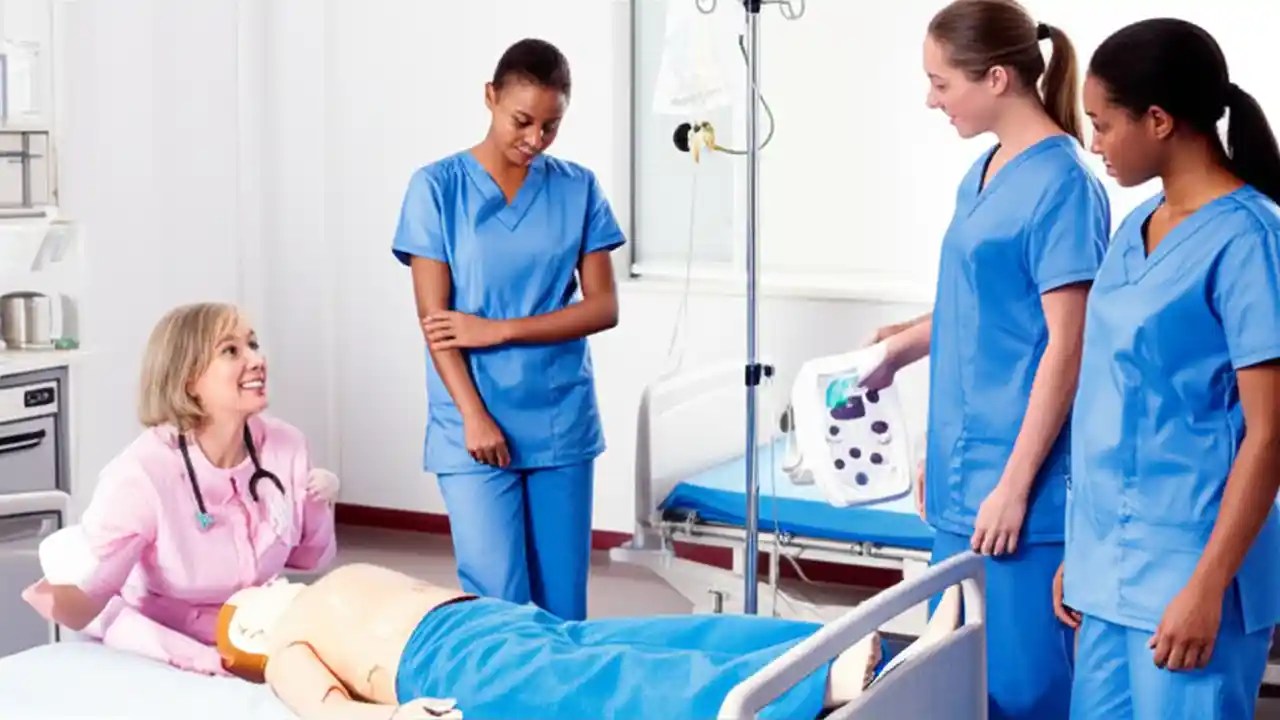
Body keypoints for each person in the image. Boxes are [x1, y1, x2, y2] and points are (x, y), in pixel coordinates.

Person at [861, 1, 1110, 717]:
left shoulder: (1064, 185)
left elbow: (1069, 343)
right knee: (951, 683)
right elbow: (984, 305)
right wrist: (901, 351)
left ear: (997, 78)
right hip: (960, 479)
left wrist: (1012, 485)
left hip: (1019, 493)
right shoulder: (983, 171)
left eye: (941, 83)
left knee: (1022, 690)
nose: (931, 99)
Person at [1055, 18, 1280, 719]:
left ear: (1158, 120)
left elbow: (1271, 435)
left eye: (1103, 124)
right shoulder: (1136, 226)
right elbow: (1109, 403)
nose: (1094, 143)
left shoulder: (1250, 240)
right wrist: (1085, 556)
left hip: (1192, 570)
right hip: (1108, 573)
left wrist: (1207, 585)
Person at [390, 38, 625, 622]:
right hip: (471, 417)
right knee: (496, 599)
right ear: (490, 97)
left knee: (562, 605)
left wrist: (496, 331)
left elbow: (603, 307)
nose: (536, 139)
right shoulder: (436, 188)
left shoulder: (578, 188)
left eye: (551, 125)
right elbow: (435, 323)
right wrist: (473, 415)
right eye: (522, 120)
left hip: (559, 416)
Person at [21, 302, 339, 675]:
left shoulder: (285, 445)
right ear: (188, 379)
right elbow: (94, 601)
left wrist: (317, 504)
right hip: (166, 641)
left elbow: (310, 559)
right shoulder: (144, 474)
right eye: (230, 350)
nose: (256, 360)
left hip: (254, 628)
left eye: (253, 344)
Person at [215, 563, 963, 720]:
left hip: (492, 622)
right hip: (447, 666)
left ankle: (840, 646)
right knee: (618, 683)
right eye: (255, 593)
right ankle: (819, 685)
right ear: (247, 628)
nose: (269, 583)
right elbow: (329, 711)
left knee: (674, 637)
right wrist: (397, 716)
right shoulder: (286, 643)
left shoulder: (318, 584)